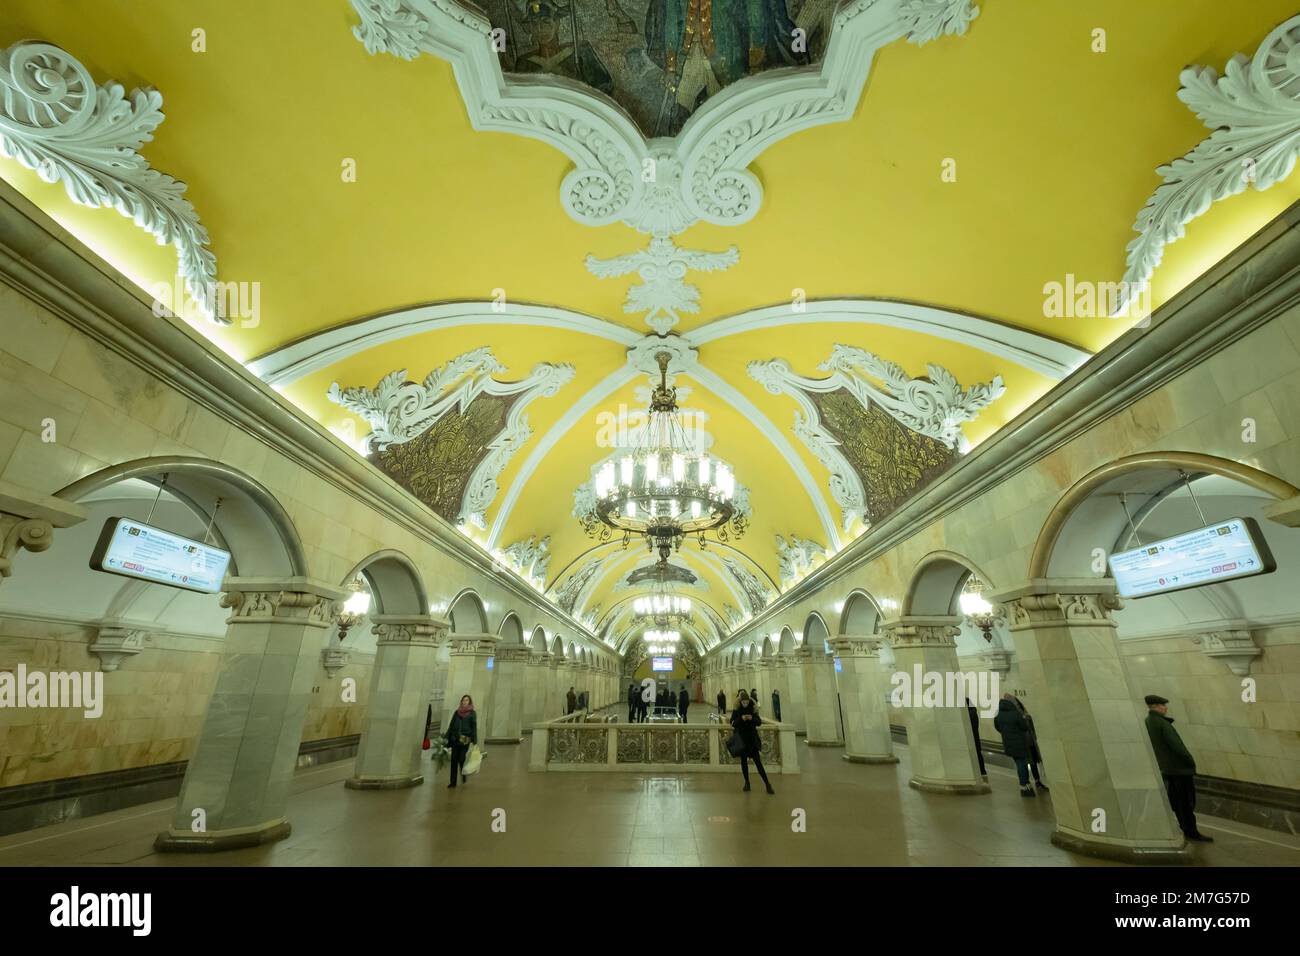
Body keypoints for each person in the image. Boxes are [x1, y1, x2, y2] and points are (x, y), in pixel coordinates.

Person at [1145, 694, 1213, 842]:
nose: (1165, 707)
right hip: (1179, 769)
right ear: (1155, 707)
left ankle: (1184, 827)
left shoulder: (1148, 722)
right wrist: (1190, 761)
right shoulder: (1163, 724)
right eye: (1163, 705)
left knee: (1177, 801)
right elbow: (1177, 747)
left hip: (1167, 769)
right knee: (1186, 802)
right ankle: (1191, 831)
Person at [730, 690, 774, 794]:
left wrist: (751, 718)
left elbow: (758, 722)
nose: (745, 704)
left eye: (746, 702)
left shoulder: (753, 709)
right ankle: (747, 783)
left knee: (758, 763)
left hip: (752, 740)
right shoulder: (736, 710)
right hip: (742, 740)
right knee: (744, 762)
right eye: (743, 702)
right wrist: (741, 718)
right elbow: (732, 723)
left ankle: (768, 784)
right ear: (740, 702)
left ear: (749, 701)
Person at [993, 695, 1036, 797]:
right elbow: (1024, 727)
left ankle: (1026, 784)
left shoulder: (998, 716)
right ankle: (1023, 786)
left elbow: (997, 728)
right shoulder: (1016, 714)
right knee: (1022, 764)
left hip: (1008, 744)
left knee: (1019, 763)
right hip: (1020, 743)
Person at [1011, 695, 1048, 791]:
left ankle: (1035, 781)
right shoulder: (1018, 717)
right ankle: (1028, 783)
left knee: (1033, 762)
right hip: (1025, 744)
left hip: (1029, 743)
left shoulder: (1025, 716)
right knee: (1027, 763)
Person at [445, 695, 477, 788]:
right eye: (463, 700)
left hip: (465, 739)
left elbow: (474, 726)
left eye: (467, 700)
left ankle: (463, 774)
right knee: (454, 760)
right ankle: (453, 782)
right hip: (455, 738)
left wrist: (474, 740)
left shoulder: (472, 713)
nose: (464, 702)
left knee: (461, 758)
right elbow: (451, 725)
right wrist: (447, 736)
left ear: (469, 702)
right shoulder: (457, 712)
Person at [966, 697, 986, 777]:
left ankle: (980, 771)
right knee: (978, 754)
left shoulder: (969, 714)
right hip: (975, 737)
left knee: (976, 755)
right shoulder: (973, 712)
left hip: (972, 737)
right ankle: (982, 771)